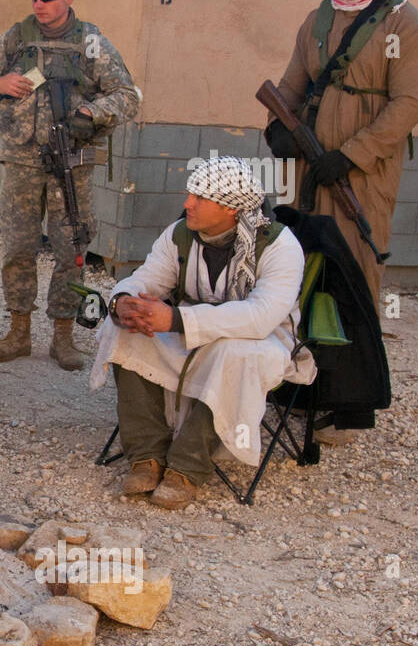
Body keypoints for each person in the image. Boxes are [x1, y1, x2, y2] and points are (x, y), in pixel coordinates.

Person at [89, 156, 315, 510]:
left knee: (234, 356)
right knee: (125, 332)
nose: (187, 204)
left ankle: (187, 468)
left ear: (229, 209)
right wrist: (124, 301)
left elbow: (260, 317)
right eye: (190, 194)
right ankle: (147, 455)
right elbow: (149, 276)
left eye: (199, 198)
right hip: (190, 325)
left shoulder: (279, 246)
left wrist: (175, 321)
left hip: (261, 341)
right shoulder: (180, 233)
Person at [0, 0, 139, 370]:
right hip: (22, 163)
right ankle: (19, 331)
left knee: (72, 251)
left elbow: (128, 97)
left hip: (71, 166)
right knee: (18, 248)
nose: (39, 4)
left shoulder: (90, 42)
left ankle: (64, 336)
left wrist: (91, 112)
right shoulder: (17, 38)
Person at [265, 0, 418, 312]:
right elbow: (289, 87)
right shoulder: (319, 18)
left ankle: (352, 369)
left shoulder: (406, 24)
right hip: (305, 169)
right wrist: (278, 130)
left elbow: (408, 105)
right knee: (292, 263)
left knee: (353, 267)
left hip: (361, 176)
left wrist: (349, 156)